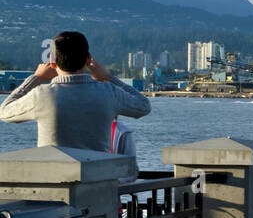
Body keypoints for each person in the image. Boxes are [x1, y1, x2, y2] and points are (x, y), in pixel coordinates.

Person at [0, 31, 150, 150]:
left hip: (54, 181)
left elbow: (4, 112)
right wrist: (109, 78)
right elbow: (143, 106)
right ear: (88, 59)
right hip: (96, 179)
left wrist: (36, 78)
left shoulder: (41, 95)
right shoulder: (109, 92)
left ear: (52, 61)